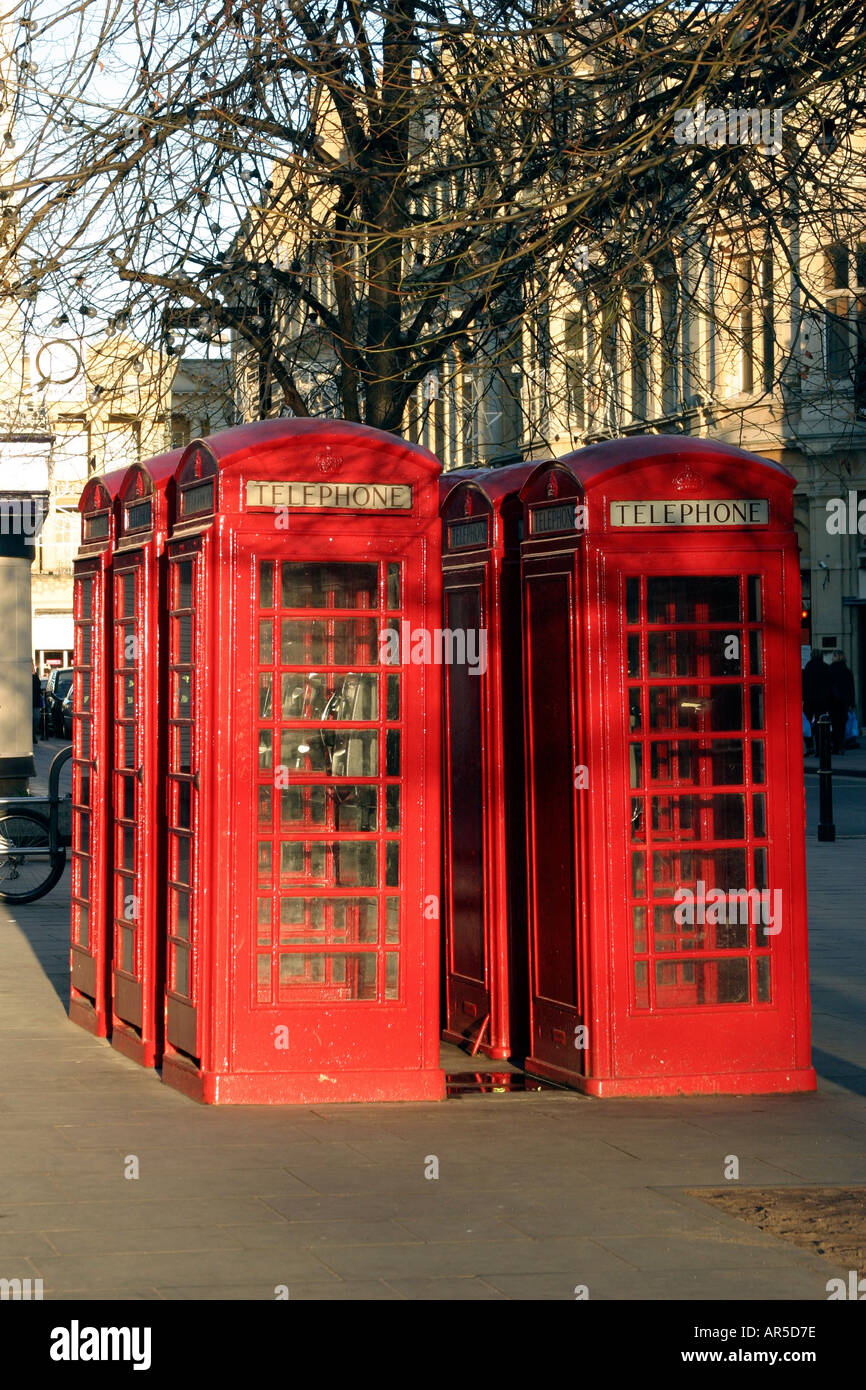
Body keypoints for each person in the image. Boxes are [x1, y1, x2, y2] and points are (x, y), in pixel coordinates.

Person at [802, 651, 832, 753]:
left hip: (809, 700)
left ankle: (810, 746)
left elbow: (804, 684)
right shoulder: (826, 667)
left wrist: (803, 698)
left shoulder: (808, 667)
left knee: (807, 724)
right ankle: (821, 747)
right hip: (822, 700)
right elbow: (829, 686)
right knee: (822, 724)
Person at [829, 650, 856, 755]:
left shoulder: (831, 669)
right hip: (844, 702)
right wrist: (852, 703)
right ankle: (841, 745)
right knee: (842, 724)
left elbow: (828, 687)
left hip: (833, 702)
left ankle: (836, 745)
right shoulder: (847, 671)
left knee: (835, 724)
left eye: (834, 656)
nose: (832, 658)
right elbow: (851, 688)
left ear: (837, 657)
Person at [32, 663, 42, 744]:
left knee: (36, 718)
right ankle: (32, 736)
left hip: (35, 702)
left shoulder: (35, 677)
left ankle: (33, 735)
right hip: (29, 702)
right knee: (33, 719)